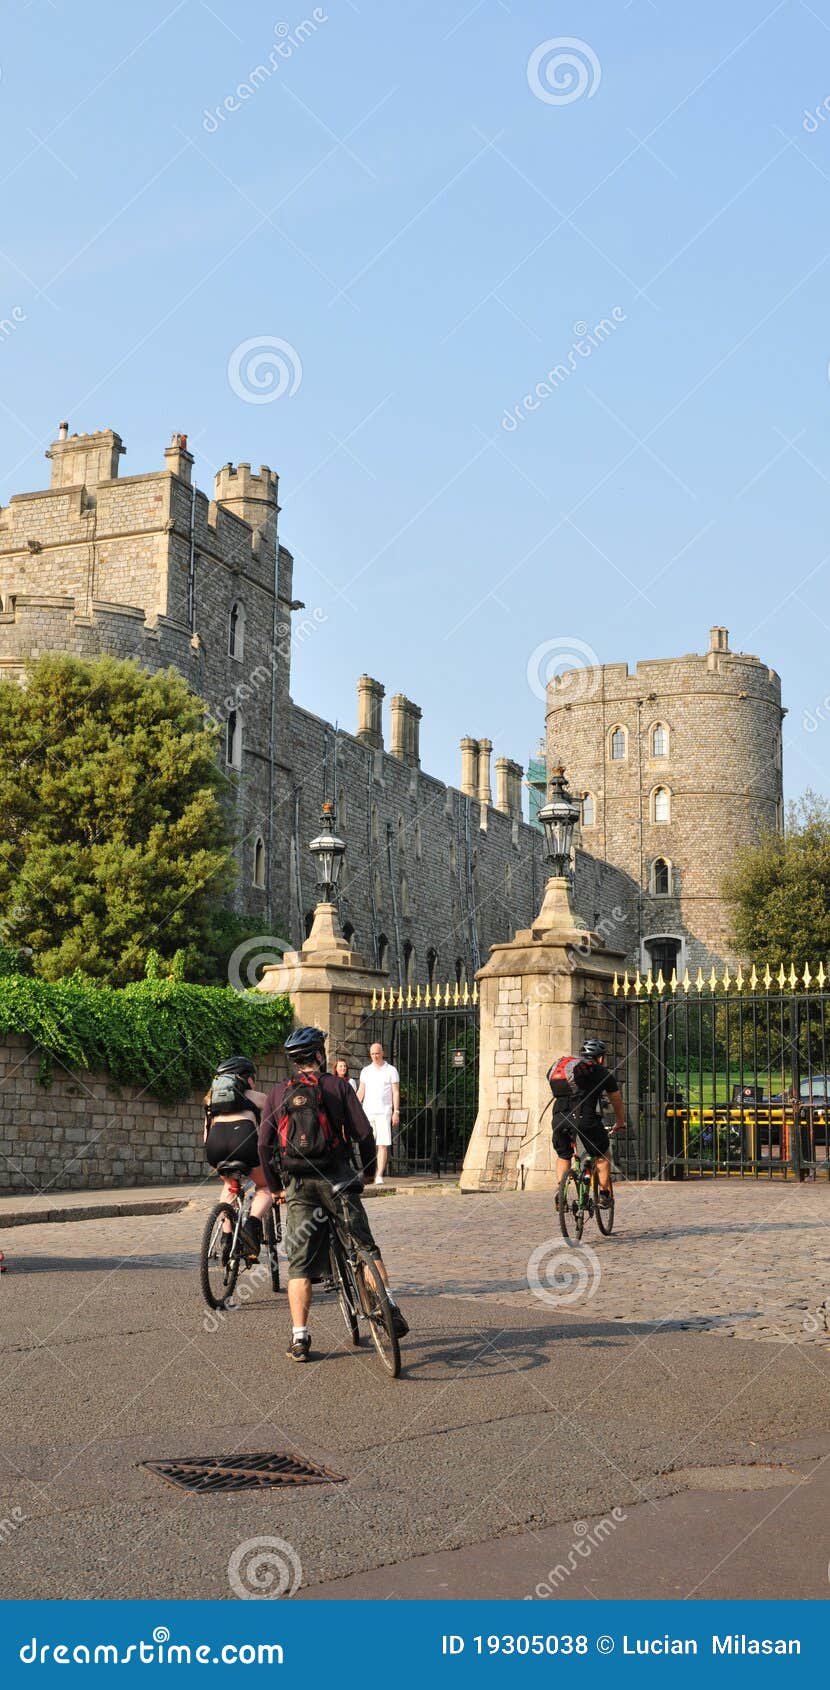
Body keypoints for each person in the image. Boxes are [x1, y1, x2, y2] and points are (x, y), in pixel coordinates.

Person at [259, 1026, 409, 1362]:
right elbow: (364, 1133)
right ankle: (389, 1305)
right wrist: (369, 1173)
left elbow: (262, 1144)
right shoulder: (338, 1087)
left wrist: (276, 1187)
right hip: (338, 1179)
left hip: (299, 1186)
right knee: (364, 1245)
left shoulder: (278, 1094)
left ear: (295, 1061)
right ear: (318, 1055)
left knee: (299, 1266)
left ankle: (300, 1338)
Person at [204, 1055, 272, 1261]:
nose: (254, 1081)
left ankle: (226, 1235)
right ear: (244, 1077)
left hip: (215, 1147)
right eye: (252, 1077)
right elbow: (273, 1125)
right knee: (266, 1186)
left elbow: (205, 1134)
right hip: (244, 1143)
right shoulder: (254, 1095)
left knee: (229, 1185)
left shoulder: (210, 1099)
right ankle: (252, 1224)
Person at [550, 1038, 624, 1206]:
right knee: (602, 1154)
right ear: (600, 1058)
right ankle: (605, 1195)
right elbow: (616, 1099)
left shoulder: (571, 1073)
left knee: (563, 1155)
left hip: (559, 1118)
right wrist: (620, 1121)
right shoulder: (601, 1072)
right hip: (585, 1119)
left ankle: (560, 1193)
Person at [357, 1042, 400, 1184]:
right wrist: (354, 1108)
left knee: (382, 1144)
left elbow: (395, 1092)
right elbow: (361, 1091)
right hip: (367, 1112)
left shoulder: (391, 1070)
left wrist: (396, 1111)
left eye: (377, 1053)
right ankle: (369, 1173)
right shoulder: (365, 1071)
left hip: (384, 1112)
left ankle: (379, 1174)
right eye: (372, 1054)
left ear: (382, 1053)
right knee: (368, 1144)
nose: (375, 1056)